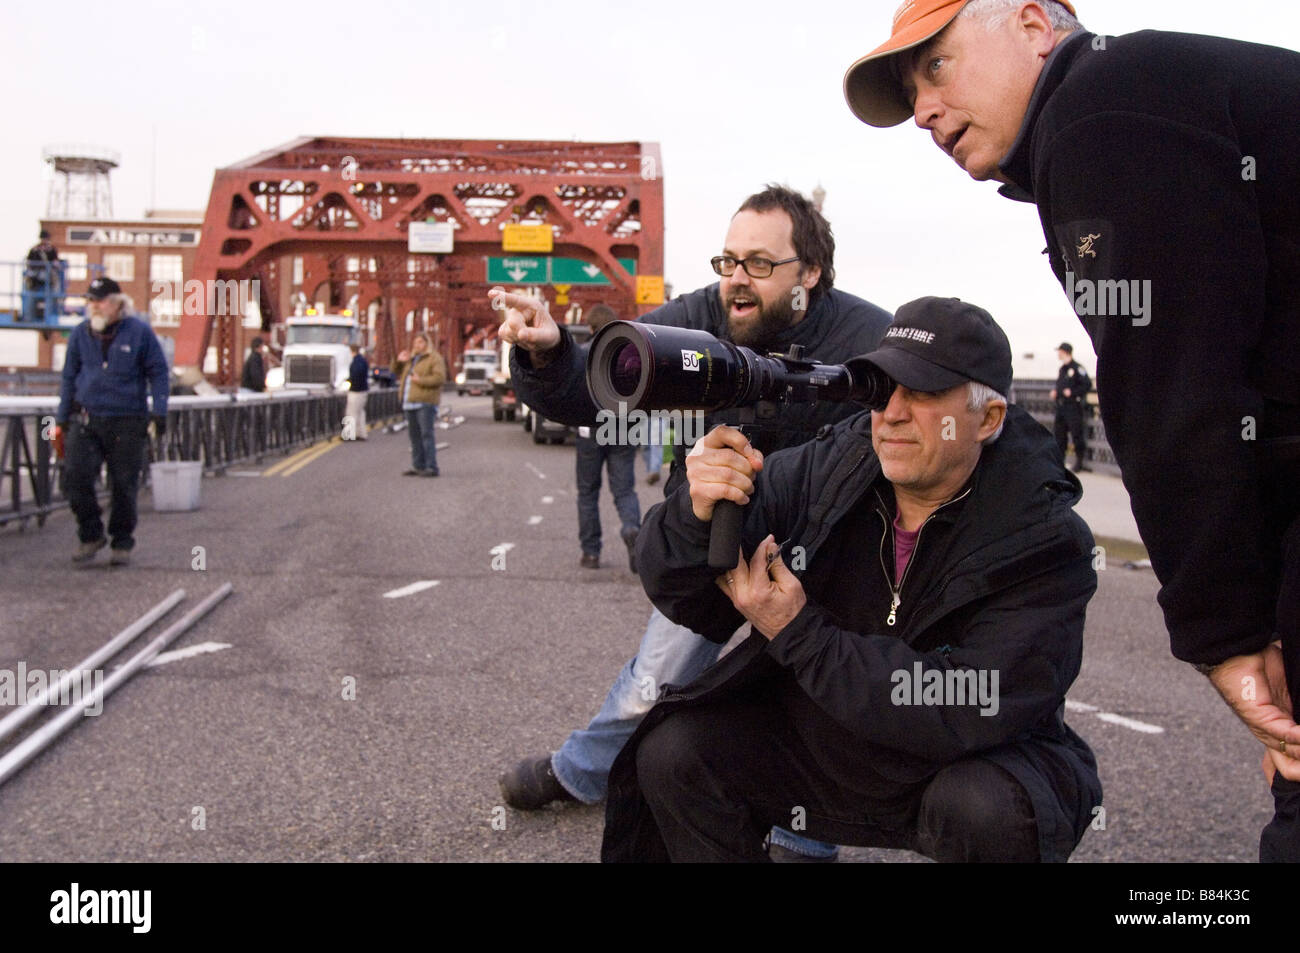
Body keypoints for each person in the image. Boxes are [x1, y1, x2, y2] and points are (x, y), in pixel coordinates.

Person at [842, 0, 1300, 860]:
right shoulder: (1139, 102)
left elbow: (1174, 391)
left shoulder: (1100, 113)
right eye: (909, 96)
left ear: (1032, 25)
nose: (924, 112)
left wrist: (1227, 635)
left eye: (936, 67)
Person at [603, 297, 1101, 863]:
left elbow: (967, 701)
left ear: (988, 419)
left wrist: (800, 633)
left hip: (959, 763)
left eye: (924, 393)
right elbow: (685, 596)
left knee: (991, 812)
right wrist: (696, 513)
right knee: (675, 753)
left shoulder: (1044, 535)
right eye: (882, 388)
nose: (892, 412)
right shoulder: (837, 464)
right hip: (831, 742)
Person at [493, 184, 892, 862]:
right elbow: (606, 381)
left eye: (760, 264)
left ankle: (803, 832)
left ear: (811, 274)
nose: (736, 278)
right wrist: (550, 350)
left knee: (817, 694)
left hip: (822, 553)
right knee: (654, 679)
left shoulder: (867, 338)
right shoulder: (699, 319)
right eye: (728, 260)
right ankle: (579, 772)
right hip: (713, 535)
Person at [55, 277, 169, 567]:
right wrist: (61, 417)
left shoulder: (139, 333)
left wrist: (160, 411)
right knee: (75, 477)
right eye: (91, 300)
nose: (95, 306)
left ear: (118, 302)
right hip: (87, 418)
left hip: (127, 420)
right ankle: (91, 534)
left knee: (124, 483)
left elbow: (158, 372)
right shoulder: (81, 334)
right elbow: (69, 375)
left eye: (101, 300)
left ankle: (121, 540)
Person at [573, 304, 640, 570]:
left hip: (589, 430)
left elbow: (573, 394)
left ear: (590, 328)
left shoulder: (582, 355)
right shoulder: (629, 355)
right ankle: (632, 528)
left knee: (588, 493)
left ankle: (591, 553)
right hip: (624, 428)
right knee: (624, 489)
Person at [393, 331, 445, 476]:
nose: (417, 345)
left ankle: (431, 467)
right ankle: (418, 465)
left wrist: (420, 380)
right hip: (409, 402)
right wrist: (399, 361)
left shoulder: (434, 358)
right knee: (414, 436)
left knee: (426, 435)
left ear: (427, 343)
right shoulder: (412, 359)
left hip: (425, 402)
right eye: (415, 342)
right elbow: (394, 371)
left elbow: (439, 378)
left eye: (420, 342)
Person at [1050, 342, 1090, 472]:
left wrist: (1073, 392)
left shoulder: (1077, 368)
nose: (1058, 354)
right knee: (1059, 435)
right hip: (1061, 407)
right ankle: (1060, 463)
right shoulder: (1062, 369)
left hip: (1073, 407)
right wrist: (1056, 392)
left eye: (1060, 352)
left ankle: (1079, 462)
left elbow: (1087, 385)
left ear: (1066, 352)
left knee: (1076, 434)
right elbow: (1060, 384)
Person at [24, 230, 61, 323]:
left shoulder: (44, 249)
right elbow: (56, 264)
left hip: (43, 280)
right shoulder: (39, 250)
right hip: (38, 280)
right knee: (33, 296)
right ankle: (32, 317)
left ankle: (32, 317)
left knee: (49, 296)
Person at [346, 344, 369, 441]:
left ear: (351, 351)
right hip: (363, 390)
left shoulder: (356, 362)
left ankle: (349, 435)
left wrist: (349, 381)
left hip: (356, 390)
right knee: (360, 412)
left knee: (351, 412)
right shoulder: (363, 360)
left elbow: (355, 375)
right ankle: (361, 433)